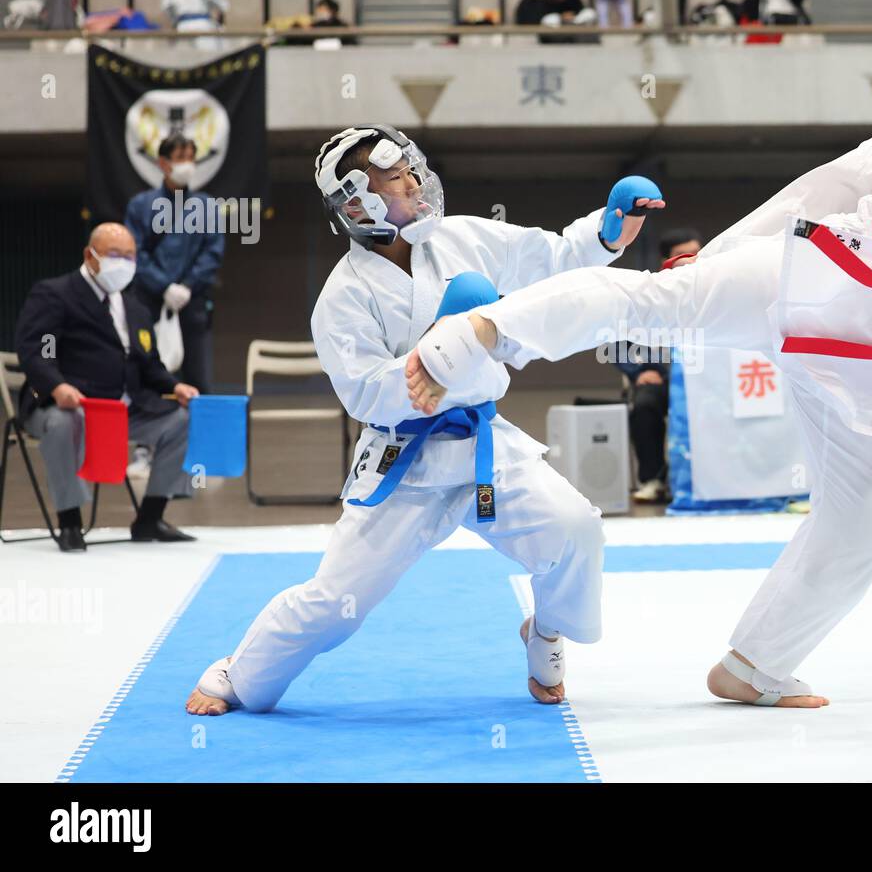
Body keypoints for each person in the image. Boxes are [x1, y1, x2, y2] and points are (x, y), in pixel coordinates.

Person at [408, 26, 872, 708]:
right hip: (825, 269)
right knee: (653, 301)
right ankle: (483, 330)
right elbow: (813, 197)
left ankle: (757, 663)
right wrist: (720, 256)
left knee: (867, 525)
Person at [184, 125, 664, 716]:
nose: (413, 183)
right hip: (403, 461)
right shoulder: (343, 295)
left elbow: (553, 259)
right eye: (395, 177)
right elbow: (365, 392)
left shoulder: (461, 238)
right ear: (356, 200)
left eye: (412, 170)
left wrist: (608, 230)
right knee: (337, 602)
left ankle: (544, 634)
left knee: (576, 530)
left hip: (484, 443)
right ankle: (239, 674)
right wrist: (431, 358)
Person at [13, 223, 199, 552]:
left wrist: (177, 386)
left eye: (130, 256)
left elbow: (151, 366)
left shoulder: (136, 308)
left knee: (185, 419)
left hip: (127, 408)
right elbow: (39, 352)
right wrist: (58, 387)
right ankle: (69, 521)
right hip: (72, 406)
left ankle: (150, 518)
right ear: (90, 255)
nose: (124, 263)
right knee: (63, 422)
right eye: (115, 255)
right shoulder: (55, 294)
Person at [124, 133, 225, 394]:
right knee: (149, 375)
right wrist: (164, 286)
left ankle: (197, 435)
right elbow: (134, 253)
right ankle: (154, 433)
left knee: (197, 381)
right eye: (181, 158)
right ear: (163, 163)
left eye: (191, 158)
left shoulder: (207, 206)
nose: (187, 164)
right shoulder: (141, 205)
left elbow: (212, 252)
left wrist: (188, 286)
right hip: (149, 303)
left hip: (192, 304)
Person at [616, 230, 702, 503]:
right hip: (664, 380)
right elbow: (619, 347)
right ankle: (653, 479)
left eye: (696, 255)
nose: (691, 262)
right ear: (665, 261)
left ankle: (717, 479)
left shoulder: (714, 291)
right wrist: (642, 371)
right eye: (682, 256)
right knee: (644, 405)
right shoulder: (646, 296)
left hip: (707, 382)